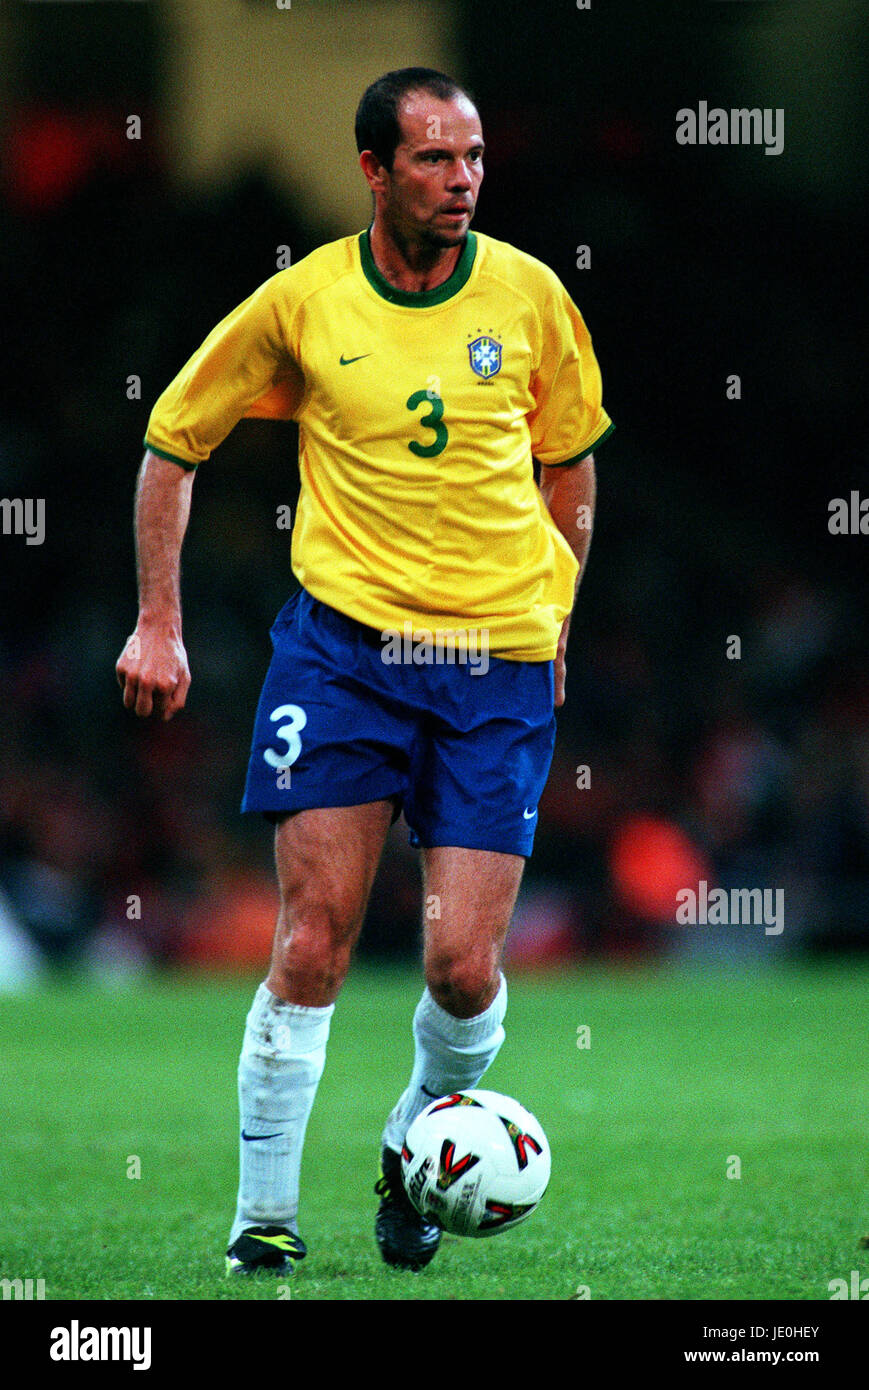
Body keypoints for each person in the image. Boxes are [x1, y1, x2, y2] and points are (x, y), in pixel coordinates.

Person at [116, 67, 613, 1276]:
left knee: (460, 965)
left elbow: (571, 470)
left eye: (475, 157)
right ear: (374, 172)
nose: (463, 181)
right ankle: (261, 1222)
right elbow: (173, 443)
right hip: (342, 656)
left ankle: (408, 1149)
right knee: (312, 940)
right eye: (436, 160)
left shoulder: (533, 296)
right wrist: (159, 623)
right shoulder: (302, 302)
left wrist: (554, 619)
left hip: (492, 662)